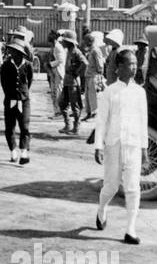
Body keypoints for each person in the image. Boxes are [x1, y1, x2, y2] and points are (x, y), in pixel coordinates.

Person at [94, 46, 148, 245]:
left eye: (135, 63)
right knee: (111, 187)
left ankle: (130, 230)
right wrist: (98, 146)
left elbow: (144, 122)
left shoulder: (140, 92)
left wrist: (144, 149)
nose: (134, 67)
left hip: (133, 144)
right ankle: (101, 209)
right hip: (113, 145)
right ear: (119, 67)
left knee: (133, 187)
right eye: (130, 64)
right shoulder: (110, 91)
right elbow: (101, 120)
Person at [0, 39, 33, 165]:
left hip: (24, 100)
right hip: (11, 99)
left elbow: (29, 81)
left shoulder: (28, 65)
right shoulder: (6, 65)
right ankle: (13, 150)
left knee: (24, 125)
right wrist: (11, 95)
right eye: (11, 51)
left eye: (15, 51)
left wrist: (22, 94)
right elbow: (4, 83)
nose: (12, 53)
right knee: (10, 125)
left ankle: (24, 151)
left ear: (21, 53)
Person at [59, 33, 87, 134]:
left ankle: (76, 127)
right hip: (67, 81)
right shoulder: (69, 51)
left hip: (73, 82)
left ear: (69, 42)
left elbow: (85, 63)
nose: (63, 42)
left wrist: (77, 72)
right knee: (62, 103)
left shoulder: (76, 52)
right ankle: (67, 124)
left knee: (75, 105)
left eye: (65, 41)